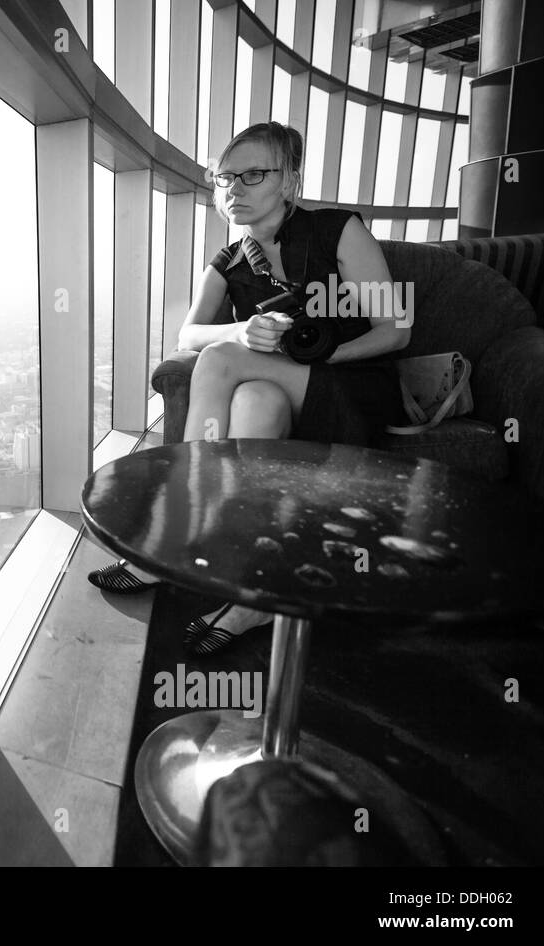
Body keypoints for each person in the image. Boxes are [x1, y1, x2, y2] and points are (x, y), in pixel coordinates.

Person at [89, 121, 409, 655]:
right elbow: (186, 333)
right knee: (253, 400)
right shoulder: (230, 261)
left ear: (288, 181)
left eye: (252, 174)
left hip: (352, 387)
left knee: (218, 363)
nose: (232, 189)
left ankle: (172, 539)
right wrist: (241, 332)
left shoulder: (338, 230)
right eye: (223, 177)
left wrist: (320, 352)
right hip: (277, 395)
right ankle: (256, 589)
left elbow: (396, 329)